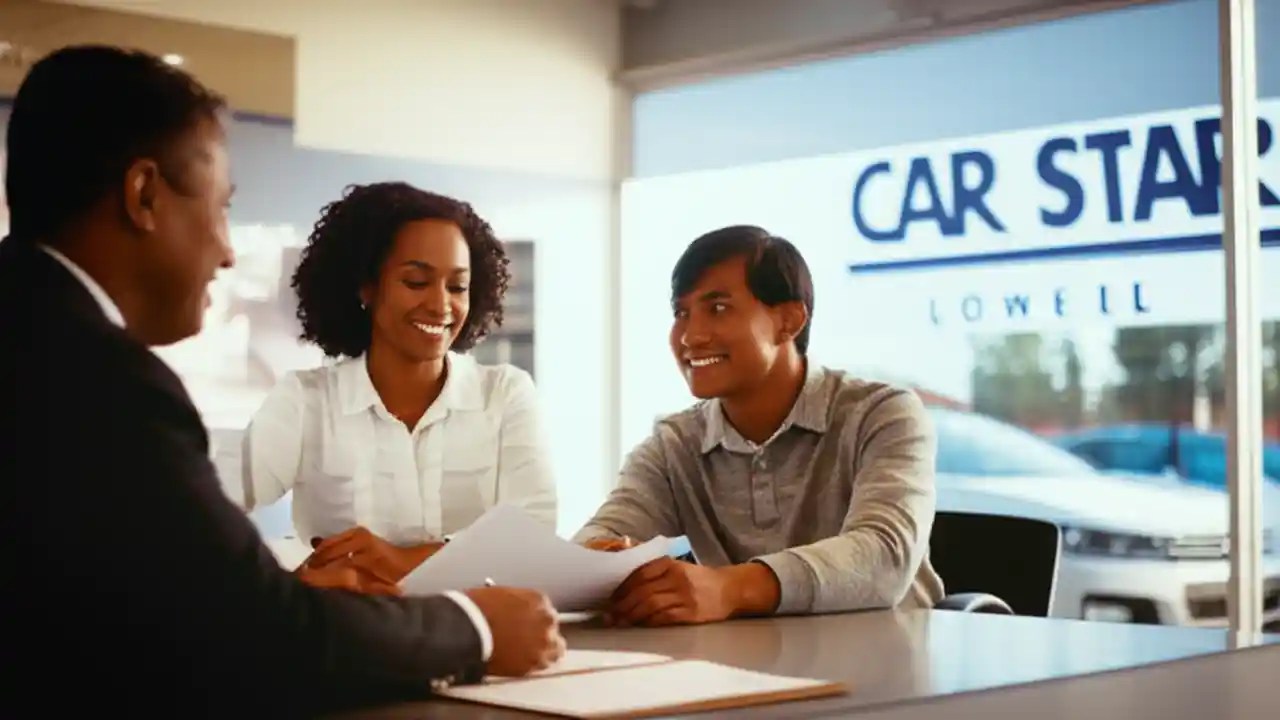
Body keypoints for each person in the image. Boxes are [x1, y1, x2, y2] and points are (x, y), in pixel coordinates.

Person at [0, 45, 563, 716]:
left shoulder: (37, 336)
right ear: (144, 195)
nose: (228, 249)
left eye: (457, 285)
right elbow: (252, 626)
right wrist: (471, 627)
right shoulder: (103, 383)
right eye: (221, 207)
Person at [574, 225, 945, 626]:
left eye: (717, 308)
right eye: (682, 313)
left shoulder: (882, 413)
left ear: (789, 320)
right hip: (751, 673)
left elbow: (883, 556)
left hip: (893, 666)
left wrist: (729, 588)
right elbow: (605, 533)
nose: (691, 336)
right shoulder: (673, 444)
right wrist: (601, 561)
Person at [241, 182, 557, 589]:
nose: (441, 305)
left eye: (457, 286)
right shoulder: (306, 401)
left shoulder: (505, 394)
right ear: (367, 288)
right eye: (416, 282)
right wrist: (288, 581)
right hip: (349, 636)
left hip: (480, 634)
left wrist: (401, 560)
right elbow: (211, 505)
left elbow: (533, 538)